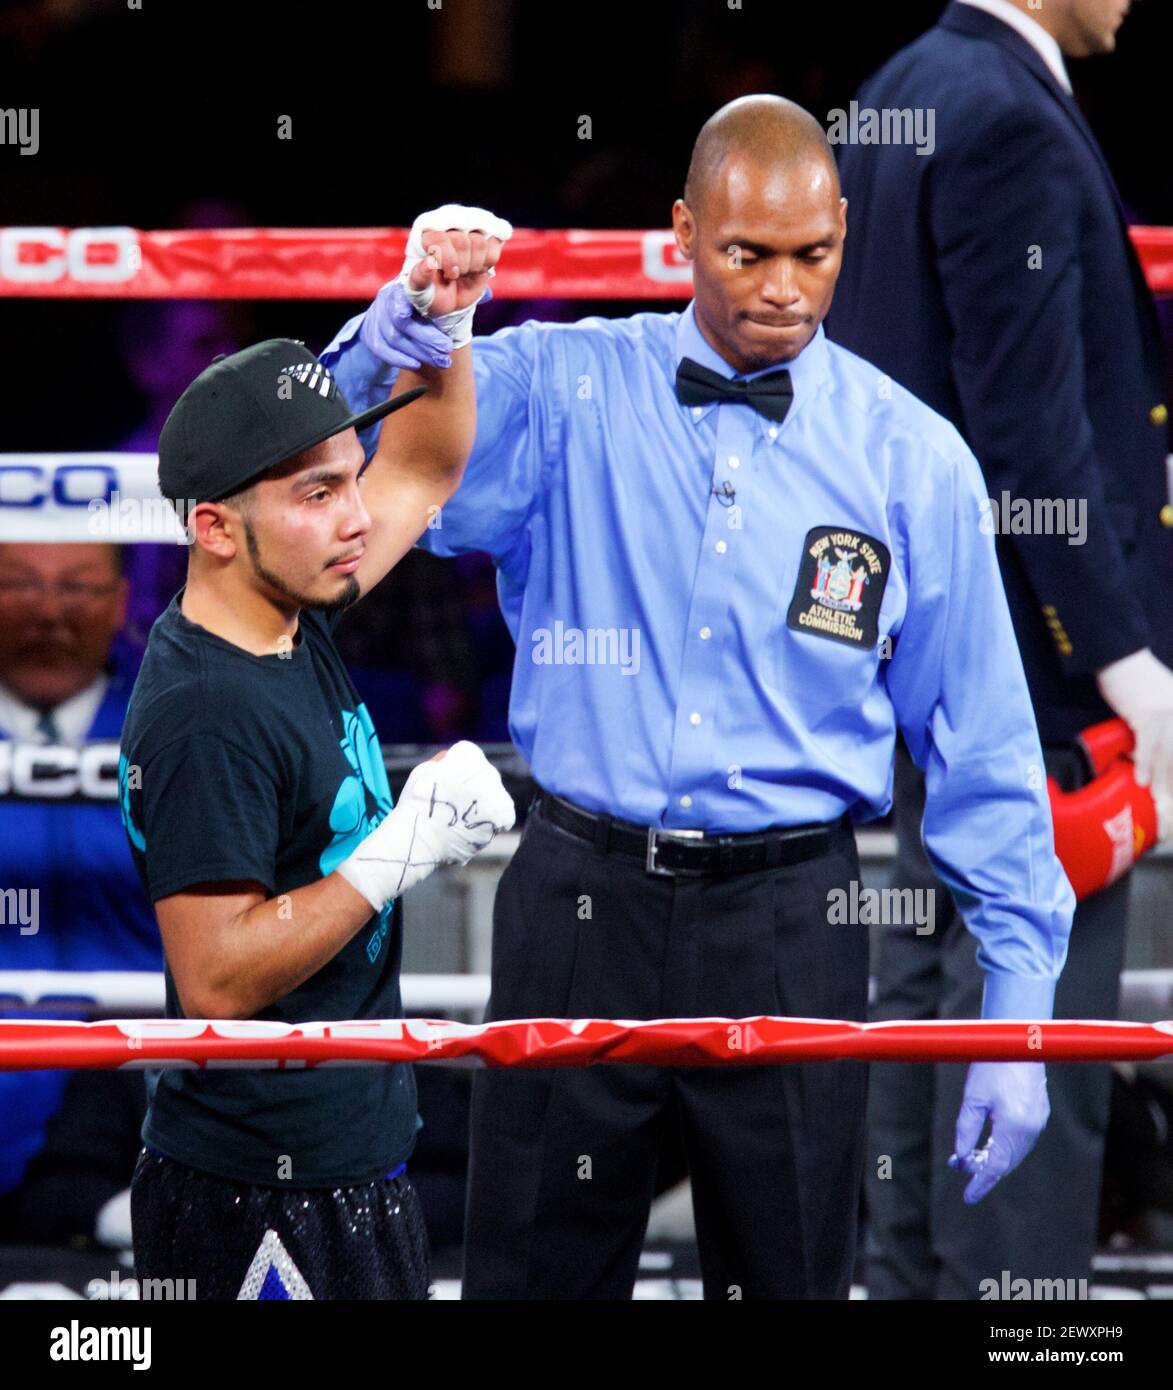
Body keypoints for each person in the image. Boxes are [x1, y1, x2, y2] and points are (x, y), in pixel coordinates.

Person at [323, 98, 1075, 1300]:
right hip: (580, 899)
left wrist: (1020, 1018)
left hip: (795, 919)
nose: (783, 288)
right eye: (747, 253)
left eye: (812, 255)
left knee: (787, 1285)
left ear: (844, 234)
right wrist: (413, 312)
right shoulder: (564, 383)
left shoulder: (909, 456)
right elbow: (343, 443)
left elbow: (981, 742)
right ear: (682, 230)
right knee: (531, 1284)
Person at [828, 0, 1173, 1298]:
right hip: (1035, 669)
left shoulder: (897, 89)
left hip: (928, 644)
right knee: (1029, 1031)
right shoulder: (1002, 116)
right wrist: (1126, 659)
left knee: (931, 1001)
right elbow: (1029, 432)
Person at [118, 211, 517, 1301]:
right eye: (315, 492)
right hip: (253, 1180)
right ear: (214, 529)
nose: (354, 516)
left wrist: (448, 310)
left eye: (349, 477)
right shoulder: (204, 709)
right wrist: (405, 849)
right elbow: (217, 973)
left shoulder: (300, 608)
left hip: (348, 1149)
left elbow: (427, 466)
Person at [0, 540, 160, 1243]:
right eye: (20, 586)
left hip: (135, 1107)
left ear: (122, 602)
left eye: (77, 590)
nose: (48, 614)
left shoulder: (177, 730)